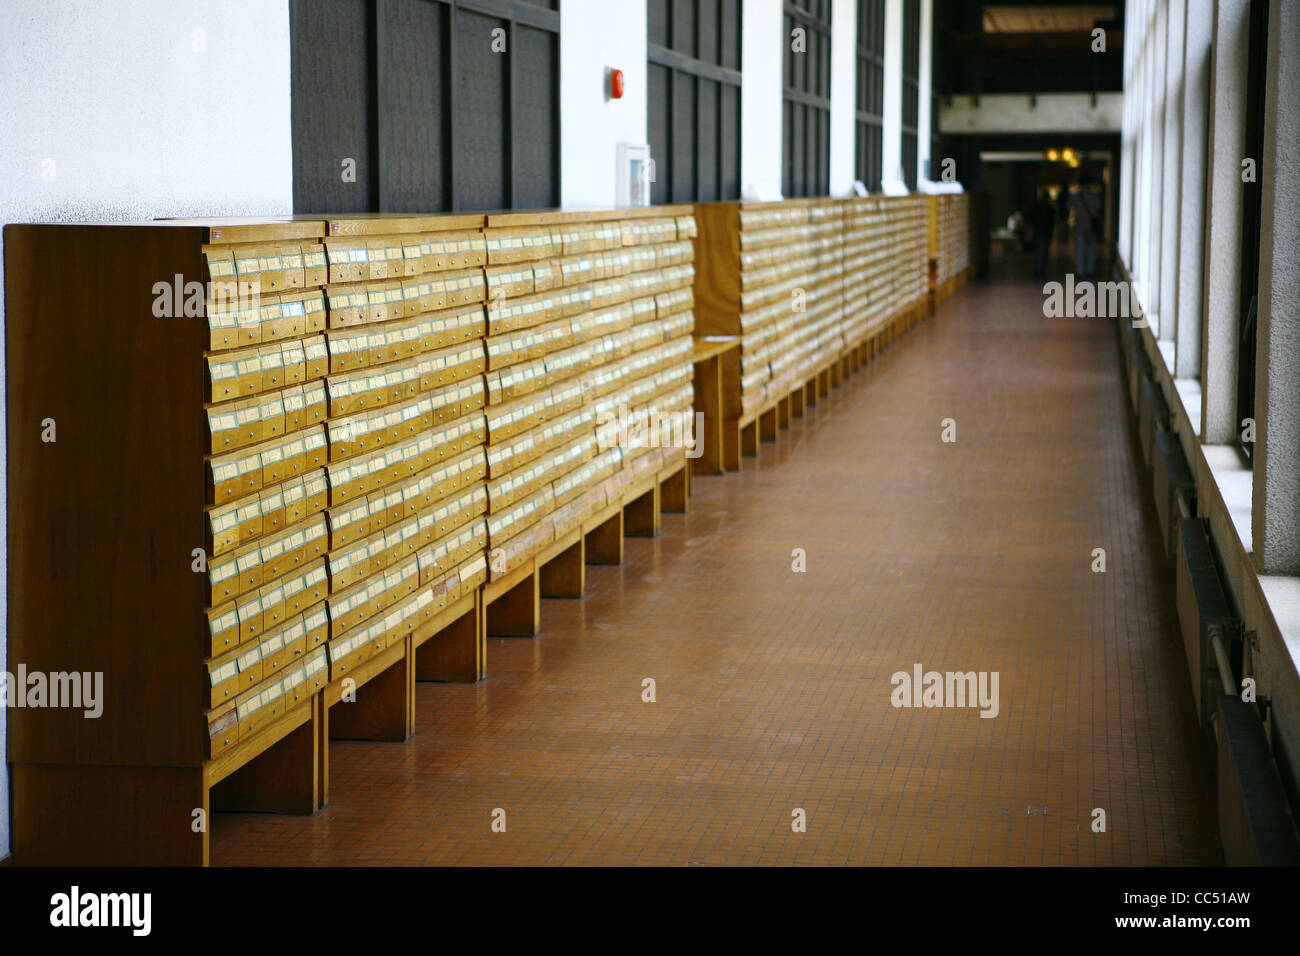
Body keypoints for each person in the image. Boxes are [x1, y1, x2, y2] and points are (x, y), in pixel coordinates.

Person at [1068, 173, 1103, 280]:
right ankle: (1089, 270)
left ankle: (1080, 271)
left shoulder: (1075, 197)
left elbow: (1069, 208)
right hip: (1091, 226)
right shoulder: (1095, 196)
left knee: (1080, 249)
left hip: (1079, 226)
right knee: (1091, 249)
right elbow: (1099, 210)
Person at [1029, 189, 1058, 279]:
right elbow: (1052, 221)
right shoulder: (1050, 208)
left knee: (1038, 249)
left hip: (1039, 229)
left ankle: (1037, 268)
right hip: (1046, 230)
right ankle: (1041, 269)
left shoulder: (1038, 206)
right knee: (1044, 250)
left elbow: (1032, 218)